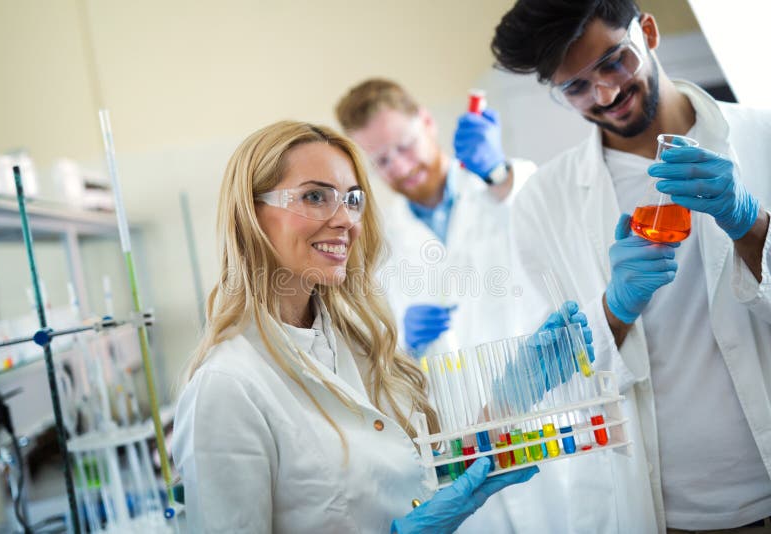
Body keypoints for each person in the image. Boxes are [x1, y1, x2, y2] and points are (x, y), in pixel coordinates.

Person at [171, 120, 542, 533]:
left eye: (352, 199)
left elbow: (411, 474)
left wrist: (509, 401)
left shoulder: (358, 346)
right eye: (315, 196)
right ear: (252, 214)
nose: (345, 219)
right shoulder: (227, 387)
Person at [491, 0, 771, 532]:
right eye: (574, 87)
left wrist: (751, 225)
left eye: (613, 61)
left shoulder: (764, 138)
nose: (606, 93)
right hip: (668, 513)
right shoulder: (543, 204)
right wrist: (614, 309)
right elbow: (561, 378)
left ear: (648, 31)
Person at [335, 79, 538, 356]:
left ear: (427, 121)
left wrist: (498, 174)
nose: (400, 167)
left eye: (405, 146)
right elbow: (381, 355)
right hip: (452, 395)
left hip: (538, 387)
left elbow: (545, 231)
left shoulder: (506, 185)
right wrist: (404, 339)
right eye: (381, 161)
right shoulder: (379, 241)